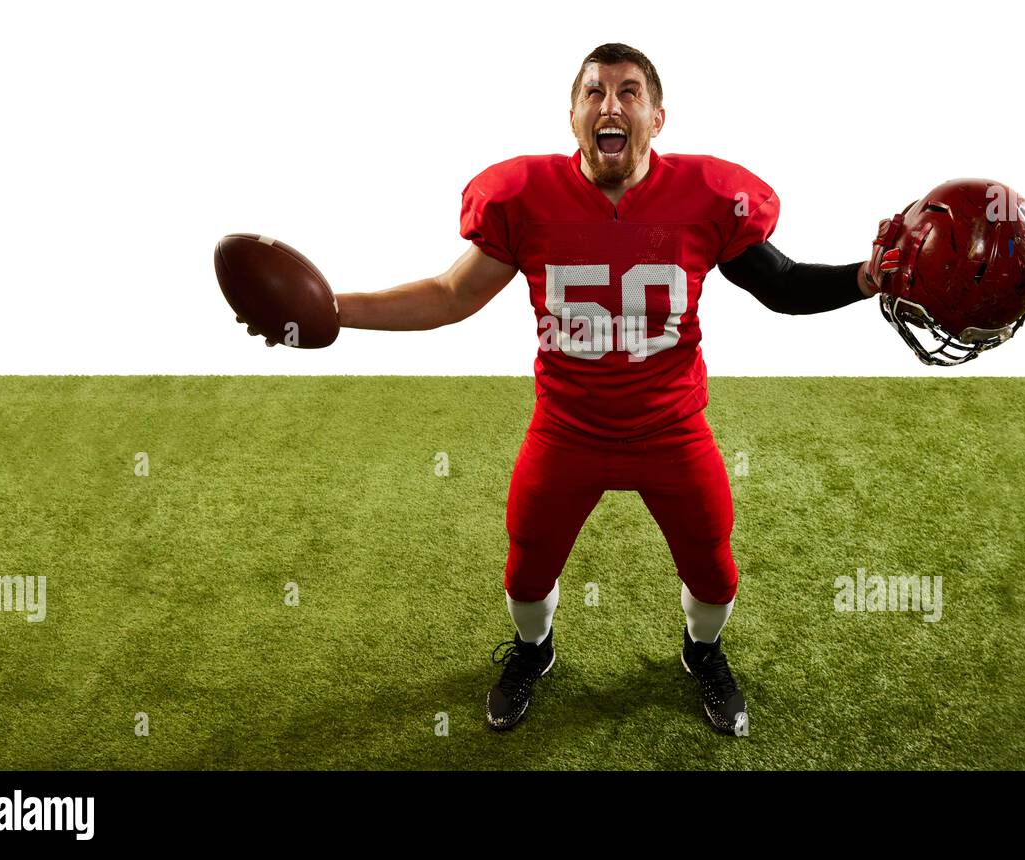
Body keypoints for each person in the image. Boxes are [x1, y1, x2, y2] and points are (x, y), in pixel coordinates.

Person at [336, 43, 880, 736]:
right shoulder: (524, 197)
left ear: (657, 116)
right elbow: (449, 295)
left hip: (671, 427)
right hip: (568, 427)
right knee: (525, 567)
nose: (610, 105)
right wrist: (335, 310)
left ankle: (702, 651)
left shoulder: (707, 196)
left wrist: (864, 278)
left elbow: (782, 285)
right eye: (594, 92)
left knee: (715, 569)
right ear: (572, 116)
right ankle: (534, 650)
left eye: (627, 92)